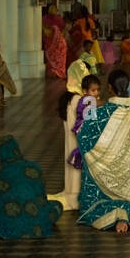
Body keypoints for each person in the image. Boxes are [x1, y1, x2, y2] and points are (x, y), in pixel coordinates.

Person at [78, 67, 130, 232]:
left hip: (105, 173)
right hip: (128, 174)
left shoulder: (102, 111)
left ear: (110, 88)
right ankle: (126, 212)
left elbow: (84, 137)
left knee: (91, 173)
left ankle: (115, 213)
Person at [0, 136, 63, 239]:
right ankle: (37, 222)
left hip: (7, 223)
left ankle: (10, 223)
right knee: (57, 205)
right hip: (36, 218)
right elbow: (42, 195)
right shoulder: (34, 167)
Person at [48, 59, 91, 211]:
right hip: (80, 146)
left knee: (72, 171)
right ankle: (78, 196)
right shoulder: (83, 101)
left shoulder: (68, 98)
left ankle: (72, 193)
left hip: (71, 145)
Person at [42, 9, 67, 79]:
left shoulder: (59, 19)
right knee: (53, 61)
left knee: (58, 62)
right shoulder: (44, 19)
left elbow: (63, 31)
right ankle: (56, 73)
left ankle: (58, 73)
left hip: (59, 45)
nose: (52, 11)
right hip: (53, 44)